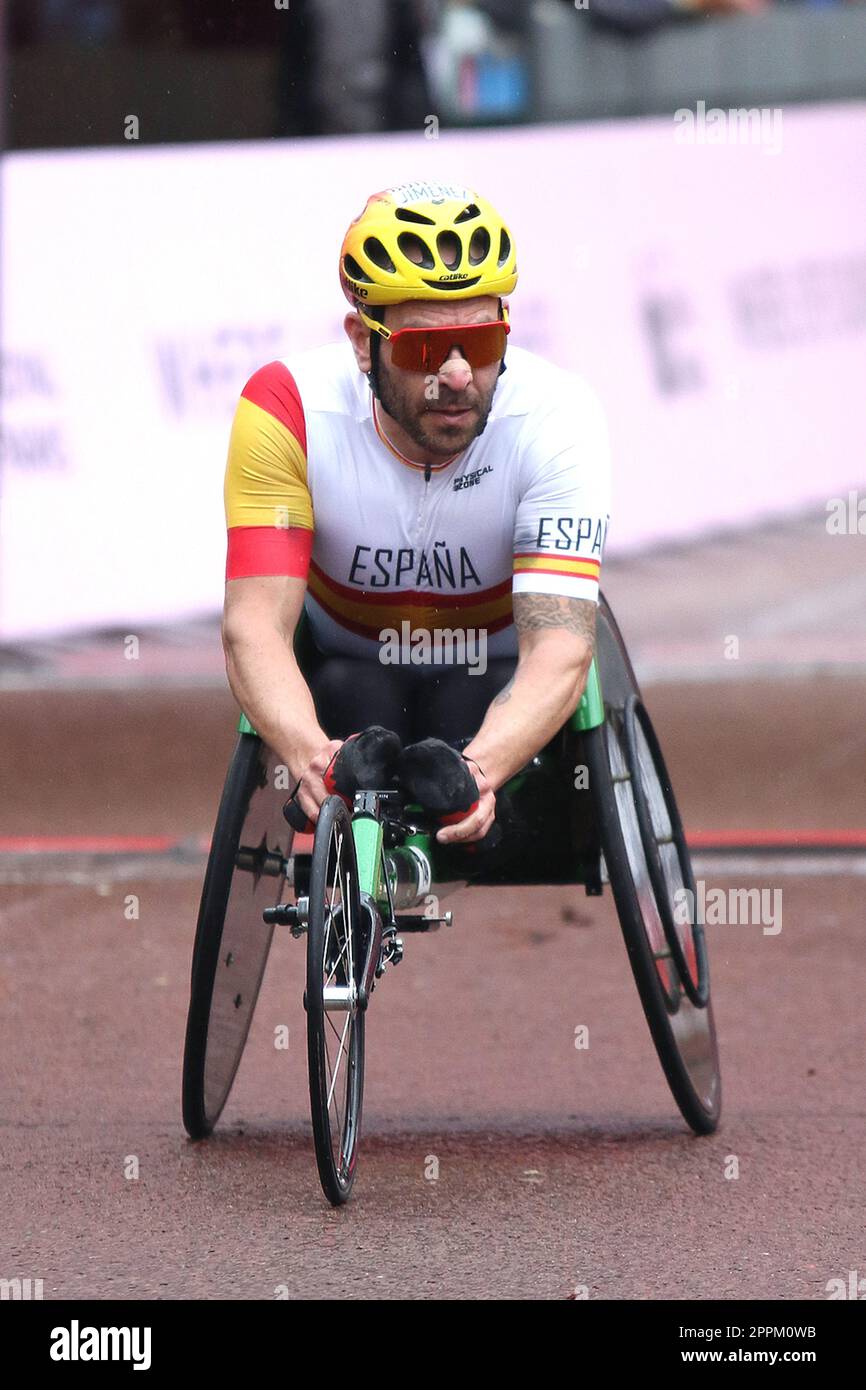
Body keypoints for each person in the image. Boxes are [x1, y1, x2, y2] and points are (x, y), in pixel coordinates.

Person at [221, 181, 610, 850]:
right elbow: (253, 626)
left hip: (491, 677)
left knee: (462, 714)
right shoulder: (284, 409)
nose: (458, 377)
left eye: (483, 343)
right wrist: (312, 758)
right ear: (360, 341)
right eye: (425, 350)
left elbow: (563, 647)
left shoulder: (560, 417)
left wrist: (479, 772)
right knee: (357, 695)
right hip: (347, 679)